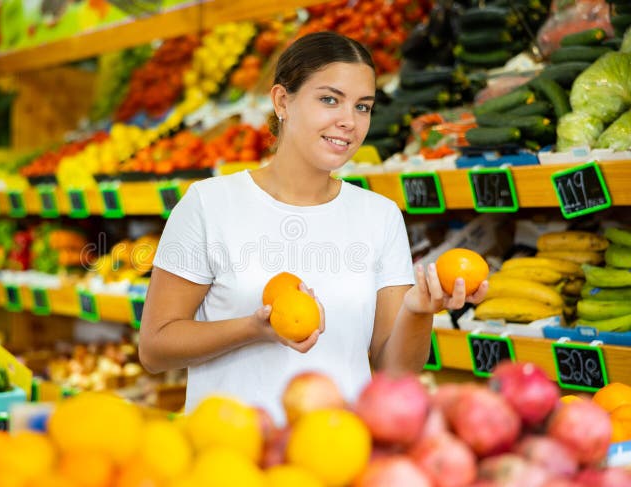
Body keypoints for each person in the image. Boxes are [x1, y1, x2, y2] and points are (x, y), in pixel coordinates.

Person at [138, 31, 488, 424]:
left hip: (339, 452)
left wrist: (419, 311)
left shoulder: (380, 215)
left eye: (363, 107)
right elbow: (155, 348)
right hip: (233, 455)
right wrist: (253, 328)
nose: (349, 122)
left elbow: (395, 372)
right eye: (329, 99)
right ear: (282, 101)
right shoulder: (209, 204)